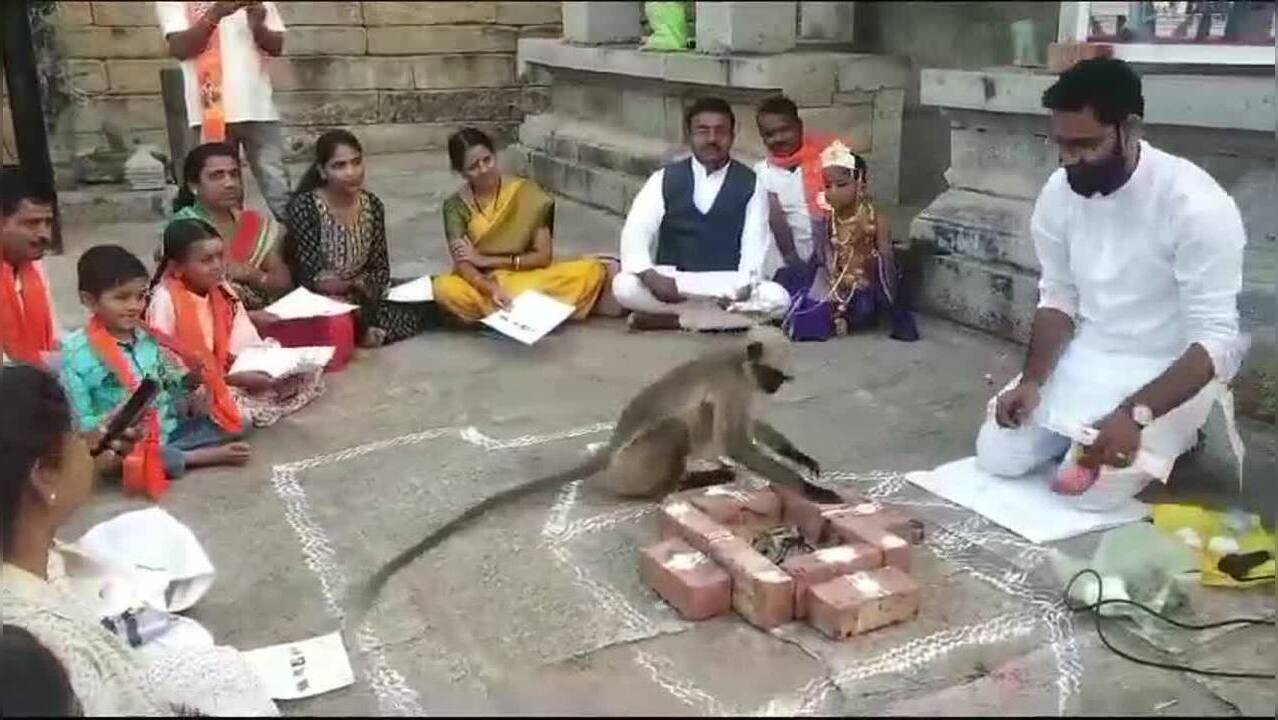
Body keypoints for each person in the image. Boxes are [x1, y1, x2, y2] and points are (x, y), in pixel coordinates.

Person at [975, 58, 1247, 510]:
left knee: (1085, 496)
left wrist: (1135, 415)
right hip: (1092, 354)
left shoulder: (1196, 204)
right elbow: (1058, 295)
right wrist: (1032, 379)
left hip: (1167, 367)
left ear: (1130, 128)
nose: (1069, 161)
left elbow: (1216, 341)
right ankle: (1081, 429)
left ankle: (1183, 433)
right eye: (1061, 145)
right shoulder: (1059, 193)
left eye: (1085, 145)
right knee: (998, 456)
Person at [0, 364, 277, 715]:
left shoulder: (23, 548)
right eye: (73, 435)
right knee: (231, 679)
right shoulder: (48, 652)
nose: (86, 442)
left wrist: (92, 454)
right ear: (45, 476)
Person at [60, 245, 252, 500]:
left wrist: (193, 381)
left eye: (140, 296)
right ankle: (195, 458)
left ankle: (174, 451)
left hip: (167, 427)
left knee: (239, 421)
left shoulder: (146, 336)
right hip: (123, 443)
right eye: (121, 297)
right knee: (117, 459)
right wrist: (112, 421)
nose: (134, 306)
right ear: (89, 301)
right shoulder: (76, 355)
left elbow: (168, 383)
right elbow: (82, 425)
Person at [614, 97, 790, 331]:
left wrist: (743, 288)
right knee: (624, 286)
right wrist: (650, 276)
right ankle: (717, 321)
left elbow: (754, 248)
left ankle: (676, 320)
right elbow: (636, 232)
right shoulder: (664, 179)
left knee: (778, 300)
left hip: (724, 283)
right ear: (689, 135)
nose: (712, 139)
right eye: (703, 131)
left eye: (720, 131)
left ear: (732, 134)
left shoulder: (751, 183)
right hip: (675, 282)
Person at [753, 95, 918, 342]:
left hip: (840, 267)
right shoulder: (763, 172)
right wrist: (797, 261)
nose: (778, 138)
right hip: (794, 258)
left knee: (854, 304)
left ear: (799, 125)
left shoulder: (826, 158)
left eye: (784, 130)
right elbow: (777, 222)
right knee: (790, 303)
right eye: (769, 134)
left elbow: (883, 261)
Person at [147, 219, 325, 428]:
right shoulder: (165, 300)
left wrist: (260, 364)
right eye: (206, 260)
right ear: (178, 267)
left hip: (232, 370)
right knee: (233, 413)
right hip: (197, 384)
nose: (217, 266)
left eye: (220, 257)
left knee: (308, 373)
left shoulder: (222, 290)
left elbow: (243, 334)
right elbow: (166, 363)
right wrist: (230, 380)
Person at [433, 127, 620, 324]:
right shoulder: (455, 207)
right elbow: (464, 265)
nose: (484, 169)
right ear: (461, 173)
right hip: (483, 283)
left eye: (487, 160)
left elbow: (542, 257)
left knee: (590, 271)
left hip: (527, 275)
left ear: (495, 155)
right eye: (473, 167)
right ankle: (530, 309)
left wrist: (484, 260)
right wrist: (491, 288)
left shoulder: (527, 193)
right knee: (444, 289)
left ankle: (503, 311)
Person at [286, 129, 433, 348]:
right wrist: (353, 287)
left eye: (356, 162)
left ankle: (364, 327)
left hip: (365, 296)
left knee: (434, 295)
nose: (351, 172)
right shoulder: (305, 208)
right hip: (322, 300)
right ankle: (360, 330)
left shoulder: (372, 205)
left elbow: (380, 269)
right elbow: (312, 277)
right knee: (334, 323)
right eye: (339, 166)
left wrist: (364, 290)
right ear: (322, 171)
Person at [156, 1, 291, 220]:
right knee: (222, 193)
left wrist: (257, 25)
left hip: (258, 107)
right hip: (210, 111)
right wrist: (216, 13)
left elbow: (276, 47)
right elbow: (180, 48)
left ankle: (295, 245)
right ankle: (228, 246)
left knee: (279, 189)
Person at [169, 142, 293, 320]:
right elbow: (185, 297)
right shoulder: (184, 227)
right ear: (193, 186)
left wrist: (251, 274)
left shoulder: (253, 223)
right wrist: (250, 317)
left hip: (262, 319)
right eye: (217, 176)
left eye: (234, 174)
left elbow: (282, 283)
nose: (230, 183)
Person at [1, 177, 62, 369]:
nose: (46, 234)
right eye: (32, 223)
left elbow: (54, 337)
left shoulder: (34, 268)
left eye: (48, 222)